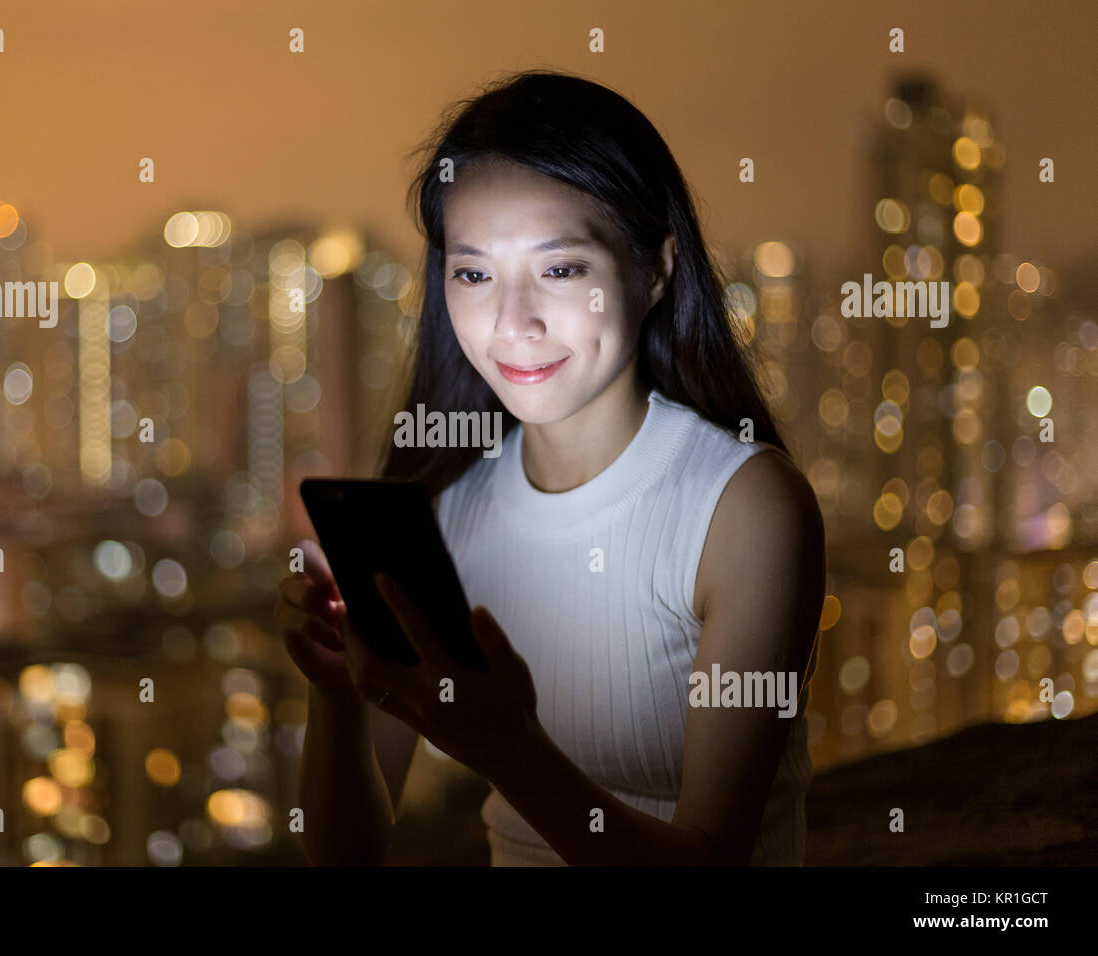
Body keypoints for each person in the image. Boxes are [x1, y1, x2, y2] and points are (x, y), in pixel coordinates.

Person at [275, 69, 825, 866]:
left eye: (561, 269)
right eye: (473, 273)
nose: (512, 321)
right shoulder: (449, 510)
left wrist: (510, 750)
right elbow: (348, 856)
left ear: (656, 269)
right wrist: (334, 697)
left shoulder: (741, 507)